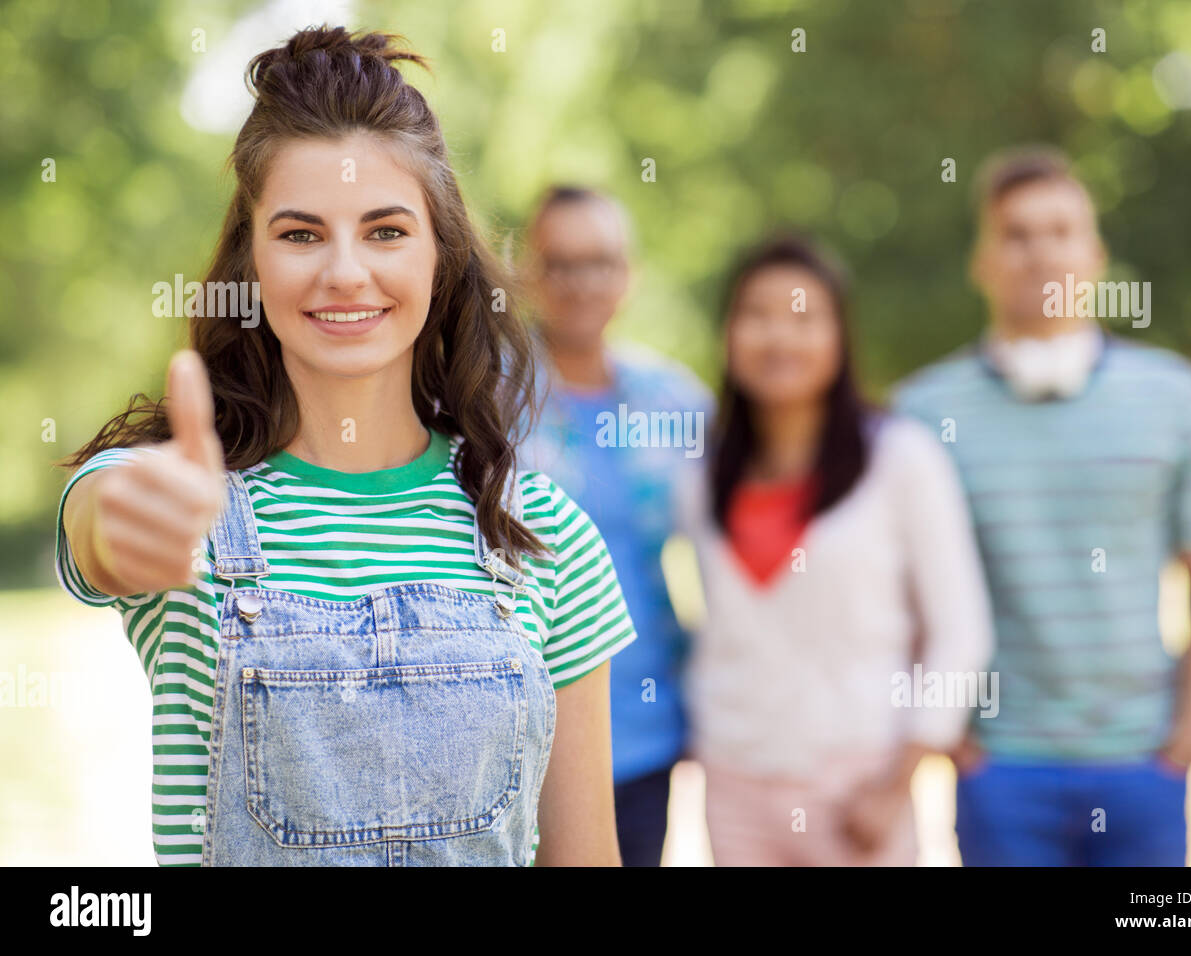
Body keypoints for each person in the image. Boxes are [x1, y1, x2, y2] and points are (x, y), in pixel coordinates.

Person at [54, 27, 636, 867]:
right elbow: (103, 524)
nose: (345, 272)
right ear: (250, 263)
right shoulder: (182, 499)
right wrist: (120, 526)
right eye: (299, 234)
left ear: (442, 256)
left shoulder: (547, 536)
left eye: (386, 231)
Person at [893, 146, 1191, 866]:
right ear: (981, 262)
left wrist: (1190, 727)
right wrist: (951, 735)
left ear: (1095, 253)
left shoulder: (1175, 397)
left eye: (1060, 231)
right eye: (1015, 234)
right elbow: (894, 586)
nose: (1039, 252)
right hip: (1001, 768)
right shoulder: (922, 413)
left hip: (1144, 762)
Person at [678, 234, 994, 866]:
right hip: (734, 781)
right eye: (756, 315)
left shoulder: (902, 459)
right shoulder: (699, 474)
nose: (778, 337)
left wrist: (899, 780)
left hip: (861, 785)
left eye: (803, 317)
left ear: (840, 336)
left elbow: (961, 630)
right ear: (729, 334)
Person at [516, 185, 713, 866]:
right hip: (520, 737)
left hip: (647, 733)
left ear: (627, 274)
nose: (581, 282)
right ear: (526, 272)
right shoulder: (479, 399)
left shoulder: (677, 400)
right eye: (560, 263)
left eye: (599, 261)